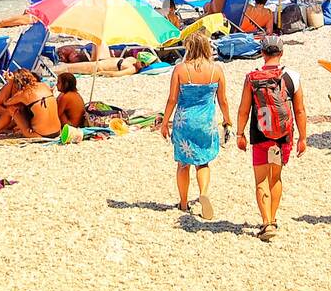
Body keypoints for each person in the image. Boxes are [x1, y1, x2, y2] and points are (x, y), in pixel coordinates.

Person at [236, 35, 307, 242]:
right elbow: (300, 110)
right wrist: (303, 137)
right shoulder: (292, 77)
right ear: (282, 53)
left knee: (261, 180)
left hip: (260, 134)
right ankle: (273, 219)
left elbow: (243, 110)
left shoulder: (252, 78)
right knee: (275, 177)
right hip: (282, 136)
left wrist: (239, 134)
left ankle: (266, 222)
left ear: (262, 53)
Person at [161, 30, 230, 218]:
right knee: (203, 162)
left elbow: (172, 99)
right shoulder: (216, 70)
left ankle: (183, 204)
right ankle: (203, 193)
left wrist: (165, 122)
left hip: (184, 121)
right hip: (206, 122)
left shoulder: (181, 70)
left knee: (183, 164)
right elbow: (222, 100)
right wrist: (227, 119)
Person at [0, 70, 61, 139]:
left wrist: (10, 82)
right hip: (57, 131)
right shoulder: (44, 85)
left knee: (11, 109)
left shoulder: (23, 93)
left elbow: (6, 103)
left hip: (40, 135)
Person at [56, 50, 157, 76]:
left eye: (145, 65)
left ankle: (52, 71)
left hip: (98, 67)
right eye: (143, 63)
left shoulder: (132, 69)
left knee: (69, 68)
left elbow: (116, 74)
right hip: (102, 61)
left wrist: (102, 73)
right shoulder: (132, 60)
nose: (143, 66)